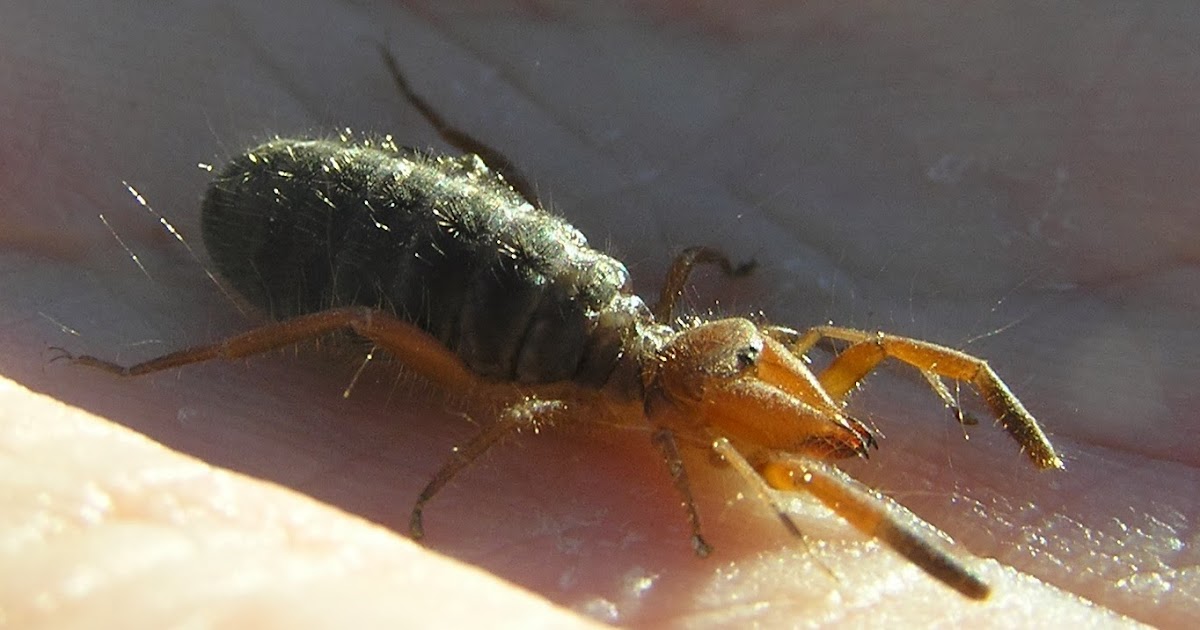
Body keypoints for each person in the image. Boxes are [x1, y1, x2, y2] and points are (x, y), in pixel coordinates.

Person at [2, 1, 1192, 626]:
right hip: (315, 239)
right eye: (789, 371)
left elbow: (755, 385)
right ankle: (142, 369)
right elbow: (692, 419)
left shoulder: (680, 371)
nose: (815, 388)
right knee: (364, 307)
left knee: (467, 223)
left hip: (499, 282)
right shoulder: (672, 406)